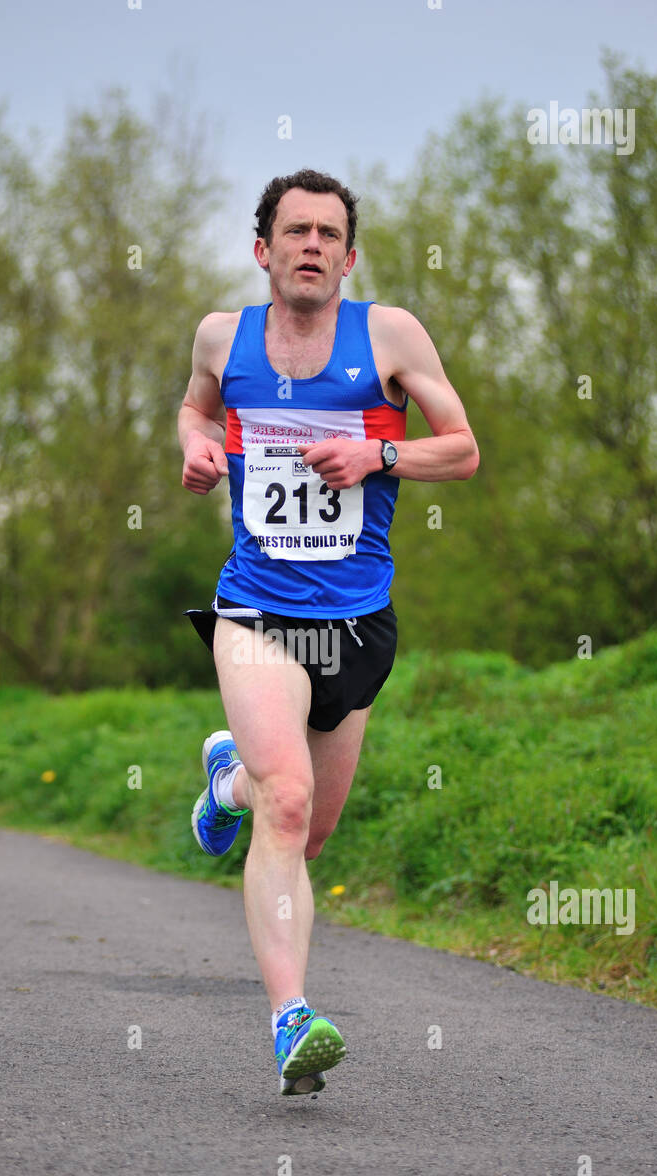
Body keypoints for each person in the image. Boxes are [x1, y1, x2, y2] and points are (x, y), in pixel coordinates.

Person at [178, 169, 479, 1097]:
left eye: (328, 234)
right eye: (294, 230)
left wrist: (378, 452)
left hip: (357, 621)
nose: (311, 245)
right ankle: (290, 1021)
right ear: (262, 249)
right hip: (256, 611)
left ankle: (225, 776)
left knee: (308, 839)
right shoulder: (222, 337)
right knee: (290, 802)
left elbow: (462, 448)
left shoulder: (387, 337)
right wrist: (194, 443)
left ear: (348, 257)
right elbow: (195, 405)